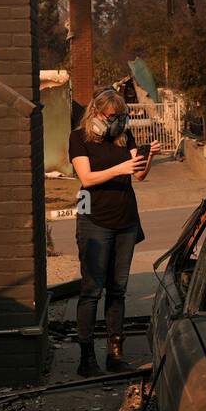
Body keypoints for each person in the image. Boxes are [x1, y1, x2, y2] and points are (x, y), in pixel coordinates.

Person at [69, 87, 161, 376]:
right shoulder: (79, 138)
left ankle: (115, 353)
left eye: (120, 117)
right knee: (92, 290)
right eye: (110, 116)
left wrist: (147, 157)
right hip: (94, 220)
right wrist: (121, 167)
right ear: (95, 114)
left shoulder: (124, 137)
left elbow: (139, 175)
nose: (115, 122)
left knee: (118, 290)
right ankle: (86, 358)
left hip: (126, 221)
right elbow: (87, 177)